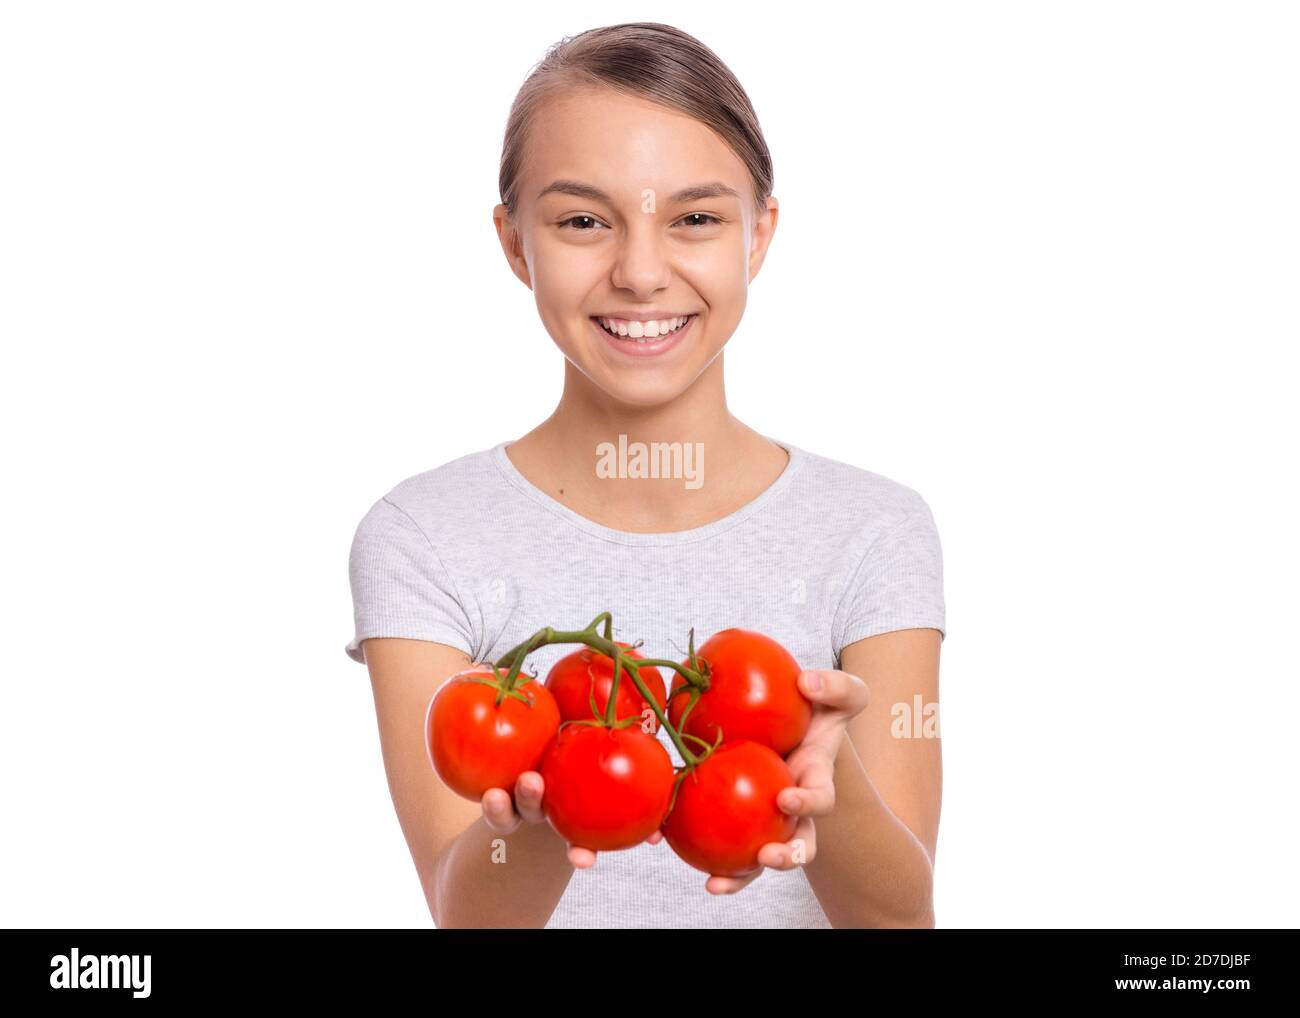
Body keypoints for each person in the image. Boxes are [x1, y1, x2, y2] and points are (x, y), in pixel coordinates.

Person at [346, 22, 946, 929]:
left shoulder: (875, 528)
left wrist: (830, 783)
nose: (639, 272)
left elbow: (900, 921)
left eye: (695, 219)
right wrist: (549, 807)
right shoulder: (423, 537)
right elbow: (465, 916)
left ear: (759, 235)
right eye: (583, 221)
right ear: (515, 245)